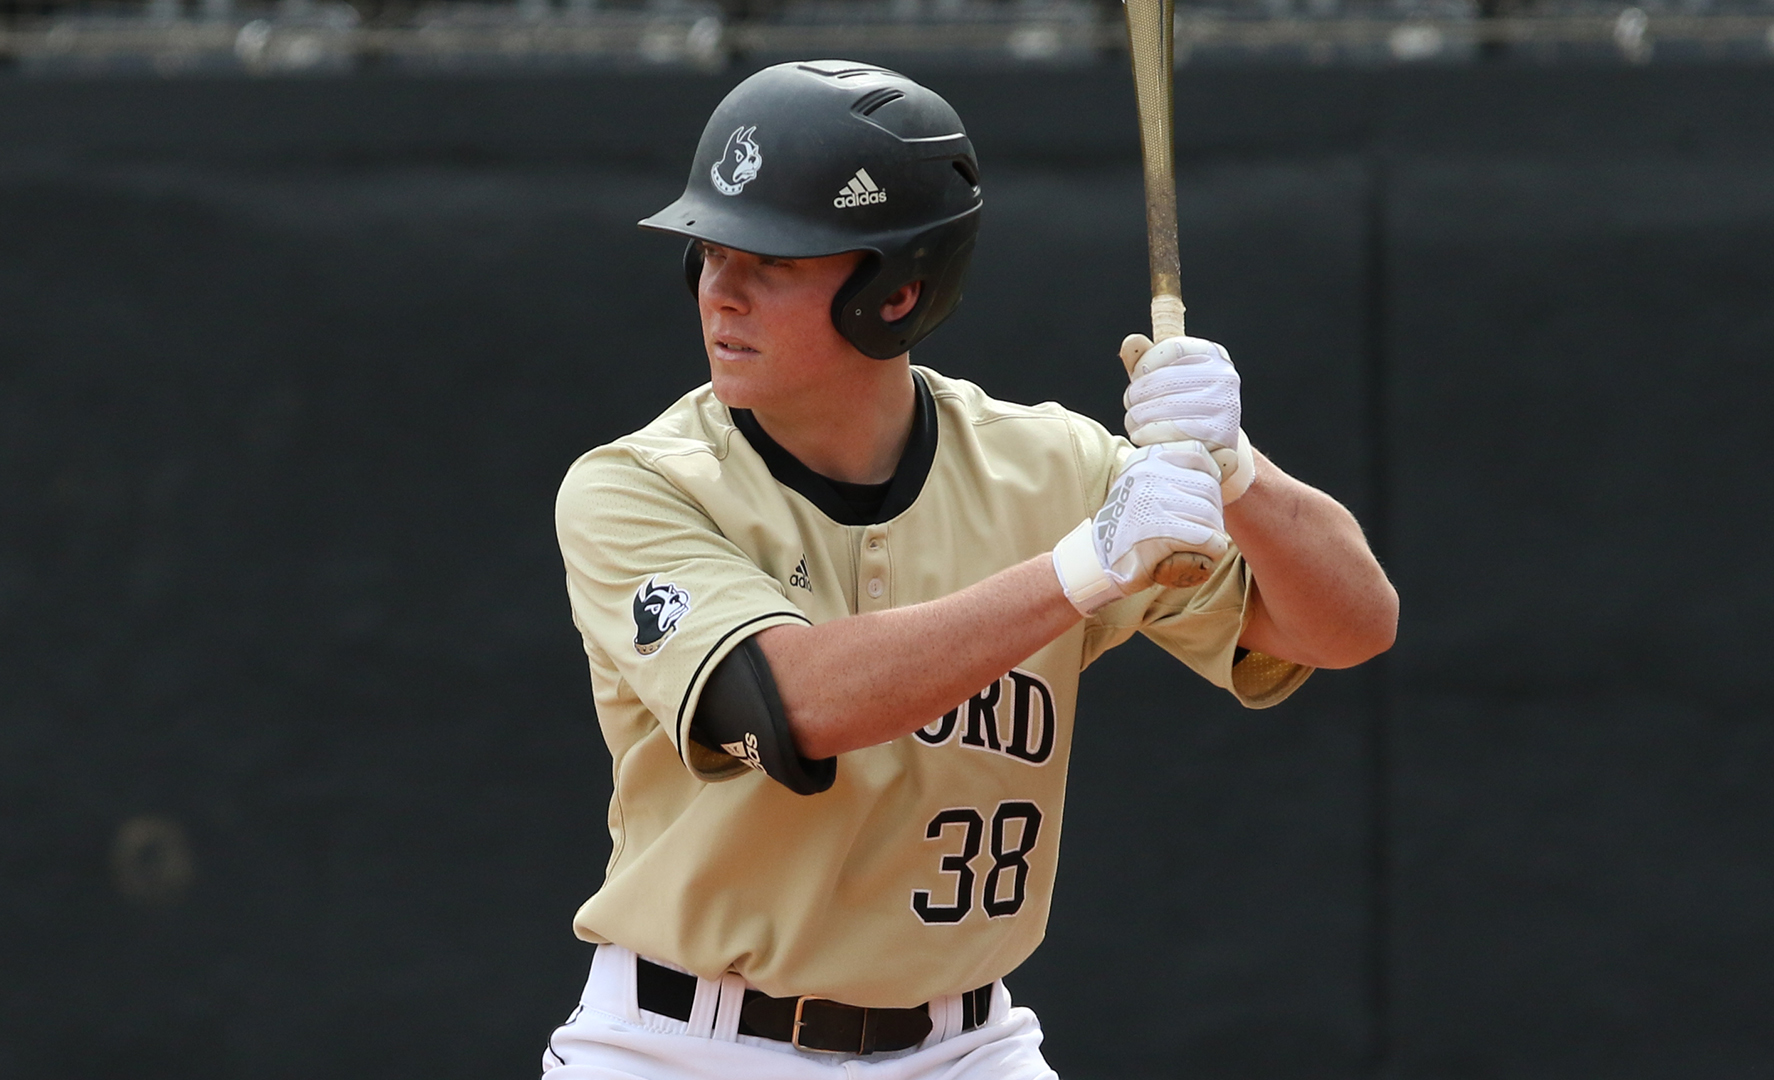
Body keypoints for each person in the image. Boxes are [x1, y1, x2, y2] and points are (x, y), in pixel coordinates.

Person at [546, 59, 1397, 1080]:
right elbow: (793, 705)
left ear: (896, 291)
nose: (719, 293)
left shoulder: (1050, 468)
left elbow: (1352, 626)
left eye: (769, 260)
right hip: (683, 1047)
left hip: (966, 1047)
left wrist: (1240, 470)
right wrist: (1083, 567)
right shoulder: (638, 486)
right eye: (709, 252)